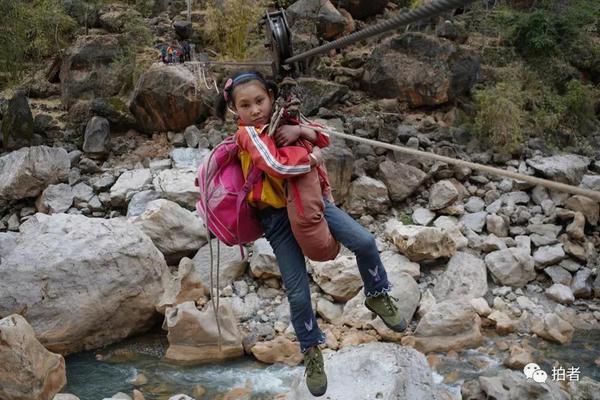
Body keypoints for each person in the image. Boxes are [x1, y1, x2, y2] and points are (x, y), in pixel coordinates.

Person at [215, 71, 407, 397]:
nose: (255, 109)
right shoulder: (248, 135)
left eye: (260, 101)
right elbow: (278, 166)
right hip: (276, 218)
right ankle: (311, 351)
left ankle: (377, 294)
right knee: (298, 292)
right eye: (245, 105)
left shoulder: (286, 117)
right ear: (235, 110)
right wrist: (313, 157)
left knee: (364, 241)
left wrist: (300, 129)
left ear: (271, 97)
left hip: (309, 200)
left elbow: (324, 136)